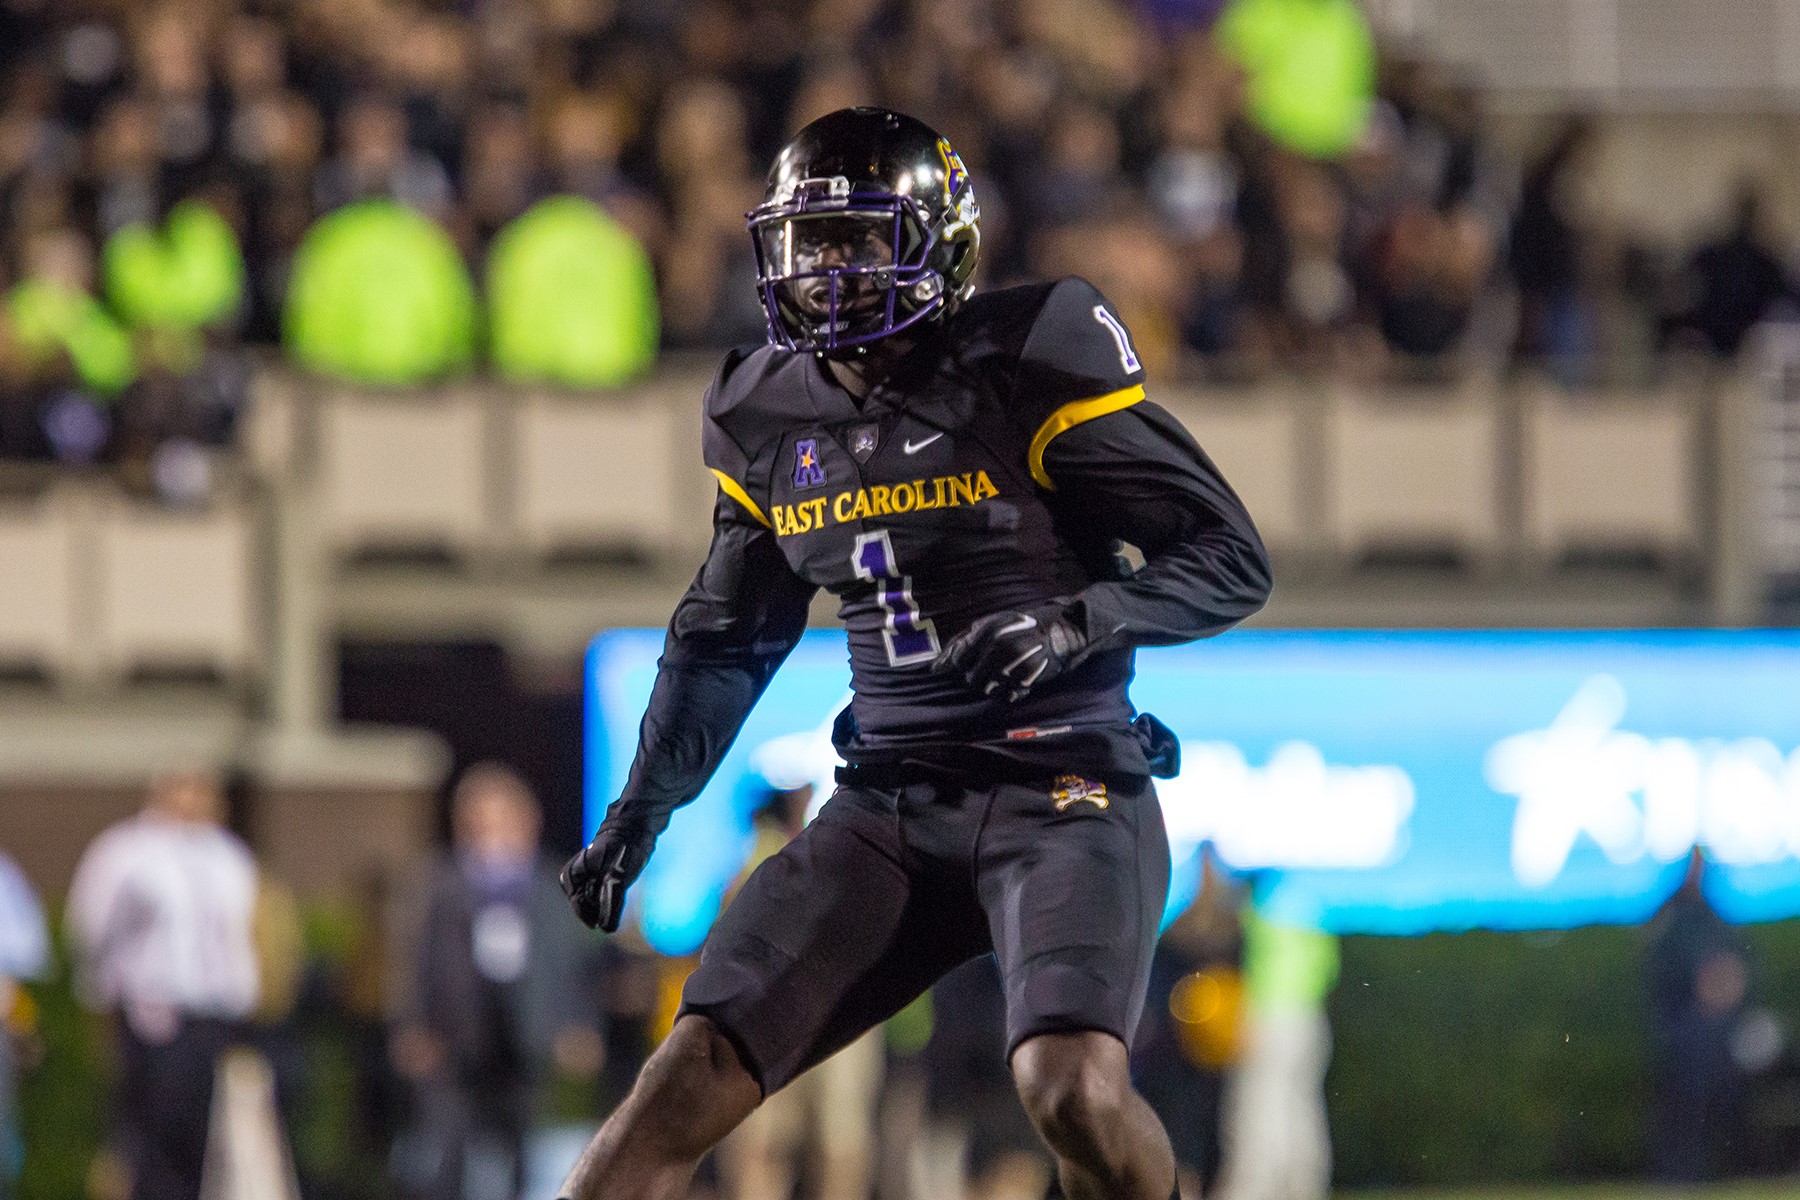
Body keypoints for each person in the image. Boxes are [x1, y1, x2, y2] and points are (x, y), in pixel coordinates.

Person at [557, 106, 1271, 1200]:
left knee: (1072, 1092)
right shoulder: (766, 411)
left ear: (940, 241)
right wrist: (642, 807)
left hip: (1062, 786)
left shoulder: (1029, 357)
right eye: (812, 241)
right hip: (890, 806)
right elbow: (727, 634)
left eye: (858, 239)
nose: (830, 270)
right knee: (678, 1085)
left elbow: (1230, 557)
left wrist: (1081, 620)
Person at [389, 763, 600, 1200]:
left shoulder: (553, 887)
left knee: (523, 1157)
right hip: (455, 1041)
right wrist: (412, 1026)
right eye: (479, 822)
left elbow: (570, 967)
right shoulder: (439, 884)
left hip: (527, 1042)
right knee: (446, 1156)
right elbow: (414, 960)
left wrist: (576, 1027)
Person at [64, 769, 261, 1200]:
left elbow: (240, 937)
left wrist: (244, 999)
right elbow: (90, 930)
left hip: (211, 1016)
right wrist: (103, 996)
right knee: (149, 1140)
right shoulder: (126, 852)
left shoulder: (227, 855)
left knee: (200, 1139)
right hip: (151, 1013)